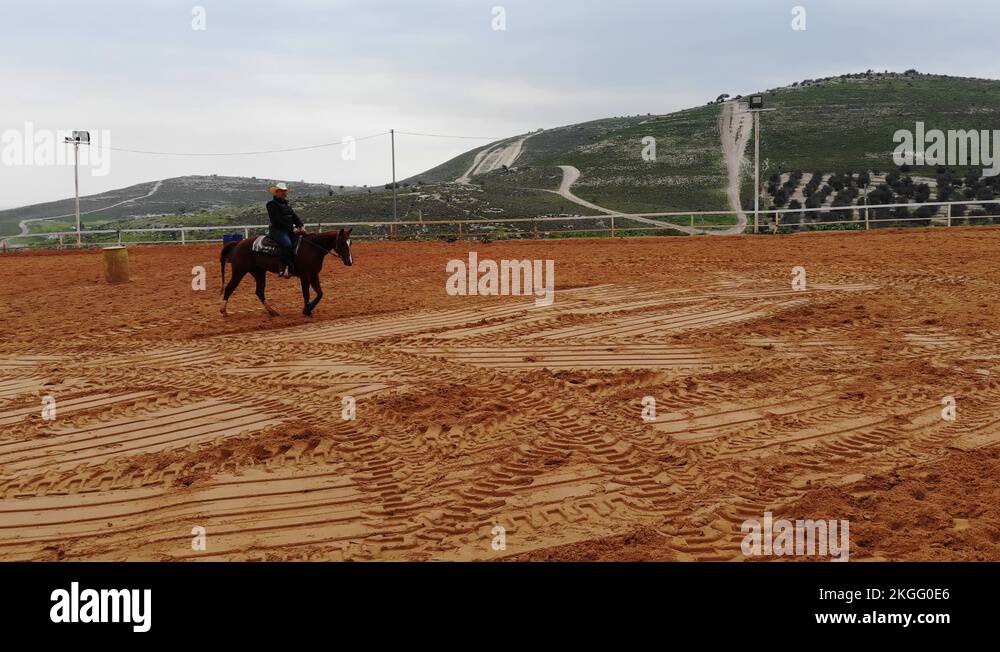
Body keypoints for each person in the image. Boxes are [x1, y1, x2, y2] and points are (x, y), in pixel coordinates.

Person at [266, 182, 305, 278]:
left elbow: (294, 216)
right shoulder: (272, 204)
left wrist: (301, 225)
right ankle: (284, 266)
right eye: (282, 191)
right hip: (277, 230)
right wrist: (292, 228)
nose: (284, 193)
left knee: (302, 242)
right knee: (287, 245)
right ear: (276, 192)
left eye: (285, 191)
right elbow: (277, 221)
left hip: (288, 230)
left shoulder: (286, 204)